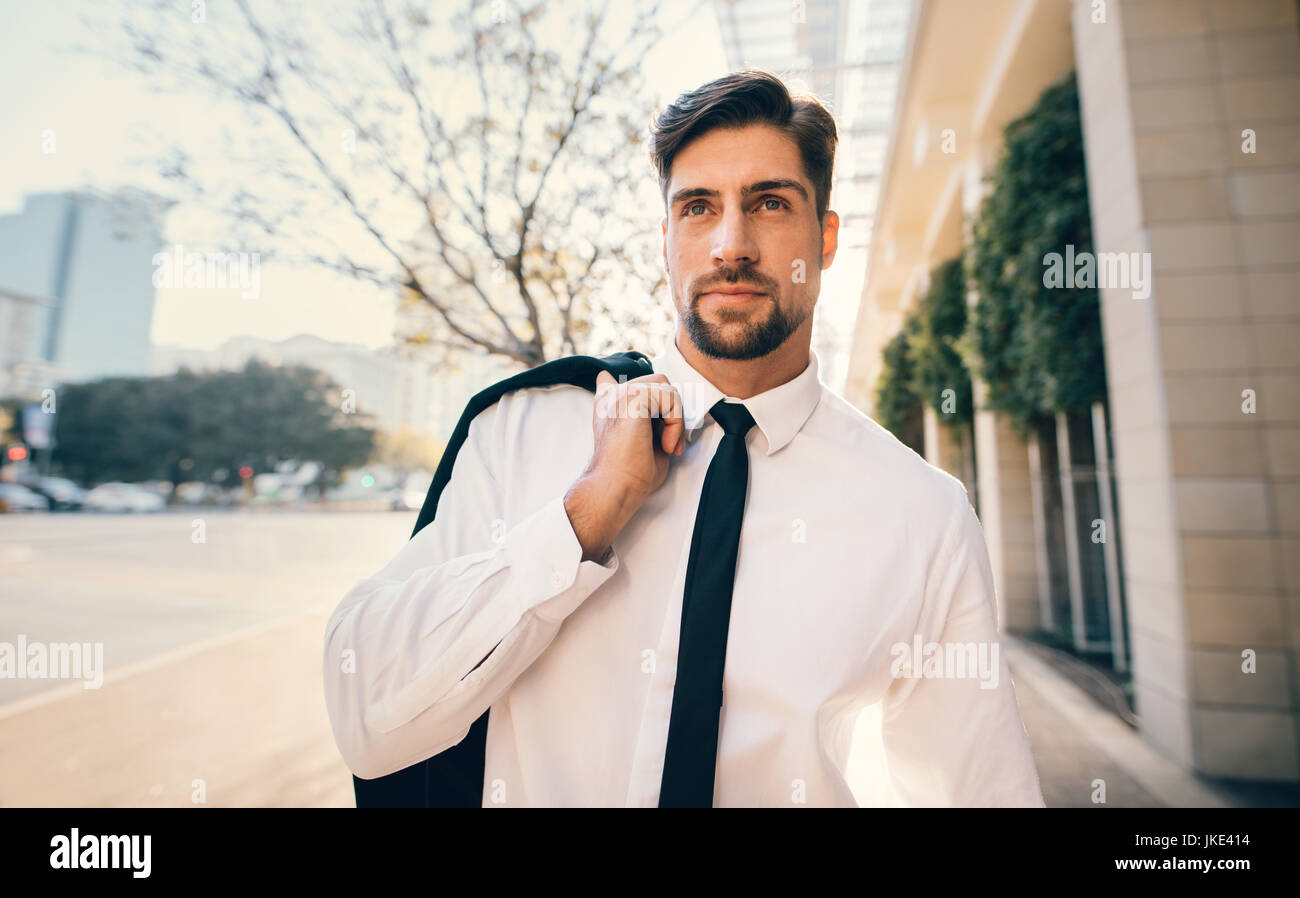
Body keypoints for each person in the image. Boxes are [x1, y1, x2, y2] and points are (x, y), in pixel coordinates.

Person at [323, 69, 1045, 807]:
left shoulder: (921, 512)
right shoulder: (522, 430)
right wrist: (584, 515)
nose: (732, 245)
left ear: (825, 238)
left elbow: (979, 788)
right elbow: (366, 719)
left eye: (769, 203)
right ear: (665, 241)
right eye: (699, 208)